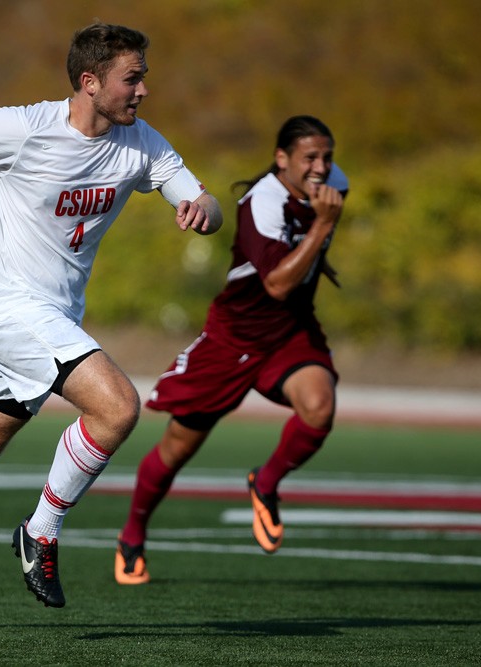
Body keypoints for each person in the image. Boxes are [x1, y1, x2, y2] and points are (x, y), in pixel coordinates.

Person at [0, 22, 223, 630]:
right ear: (90, 82)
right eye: (131, 78)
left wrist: (202, 210)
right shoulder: (25, 129)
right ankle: (41, 532)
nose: (142, 90)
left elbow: (206, 202)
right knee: (116, 407)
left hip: (54, 317)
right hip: (9, 308)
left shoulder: (142, 144)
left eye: (143, 77)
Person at [113, 115, 347, 585]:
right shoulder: (262, 202)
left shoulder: (334, 184)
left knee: (319, 408)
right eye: (309, 158)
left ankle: (265, 482)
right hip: (234, 339)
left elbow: (292, 290)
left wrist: (321, 222)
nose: (322, 167)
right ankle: (133, 533)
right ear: (282, 160)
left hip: (288, 333)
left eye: (327, 156)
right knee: (177, 449)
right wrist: (322, 226)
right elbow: (278, 284)